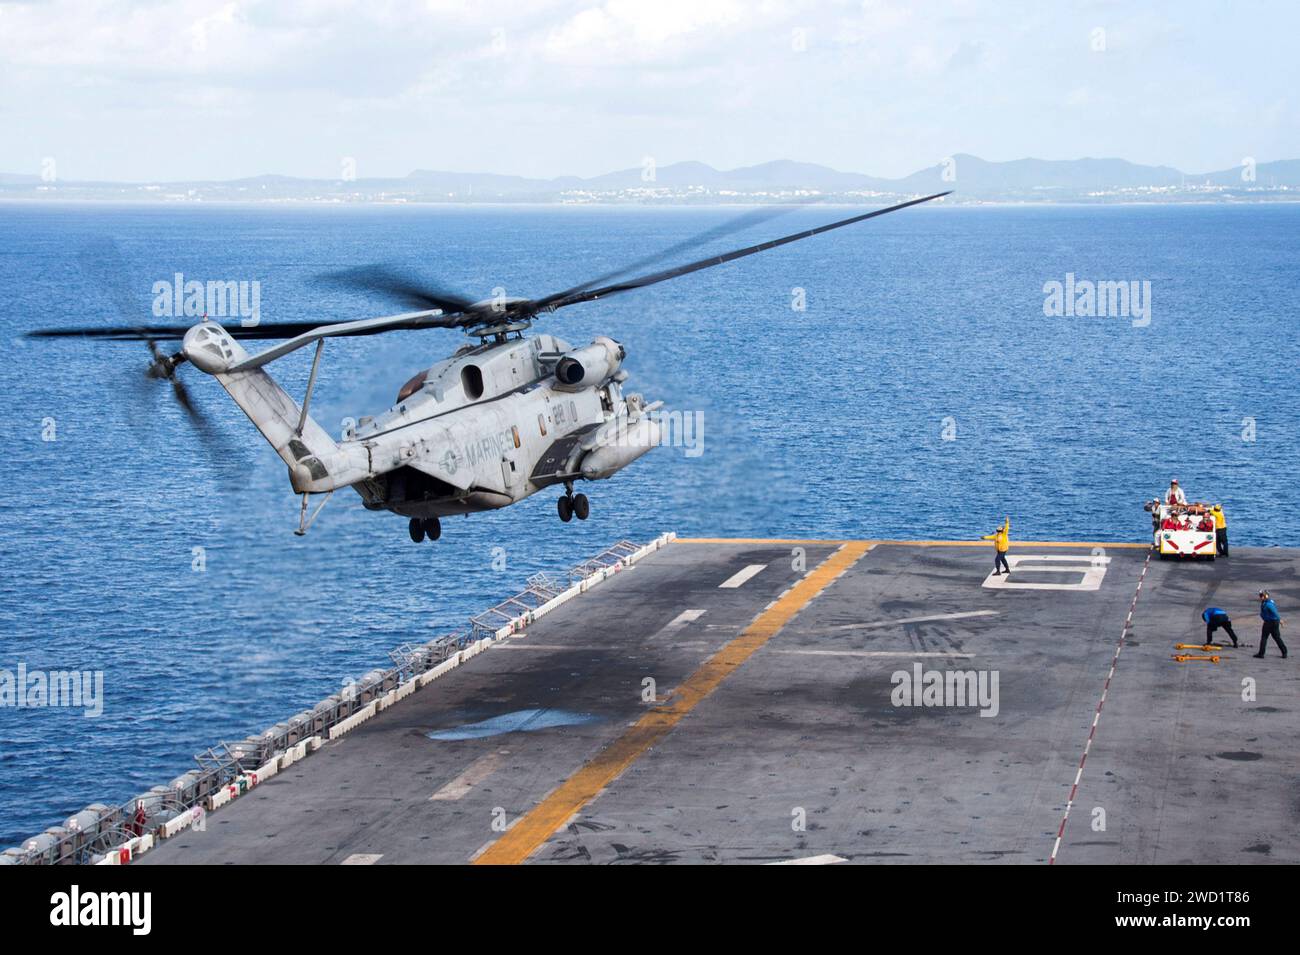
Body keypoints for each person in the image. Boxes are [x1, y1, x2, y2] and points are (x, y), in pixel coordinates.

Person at [1254, 590, 1287, 659]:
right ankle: (1284, 652)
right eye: (1260, 596)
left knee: (1264, 638)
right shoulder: (1267, 602)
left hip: (1270, 623)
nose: (1260, 597)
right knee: (1277, 637)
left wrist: (1280, 620)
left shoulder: (1268, 604)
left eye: (1261, 596)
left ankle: (1261, 654)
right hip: (1273, 622)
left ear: (1265, 596)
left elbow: (1275, 612)